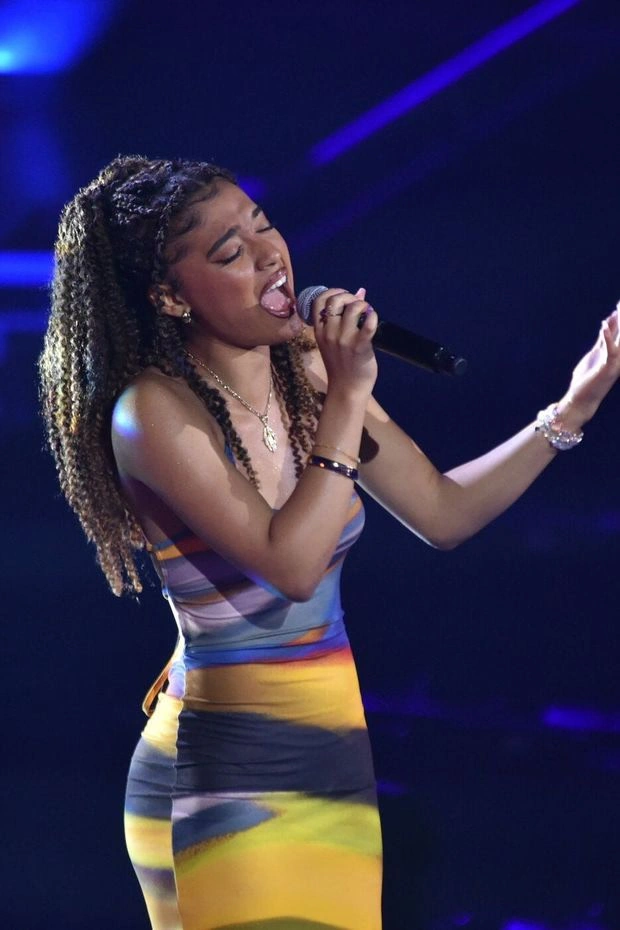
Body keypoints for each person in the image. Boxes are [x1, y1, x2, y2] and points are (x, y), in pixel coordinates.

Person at [39, 155, 620, 930]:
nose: (270, 255)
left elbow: (442, 512)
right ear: (170, 297)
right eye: (231, 252)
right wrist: (346, 394)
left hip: (332, 752)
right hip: (230, 767)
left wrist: (575, 405)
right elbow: (292, 564)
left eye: (264, 226)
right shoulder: (152, 414)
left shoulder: (304, 378)